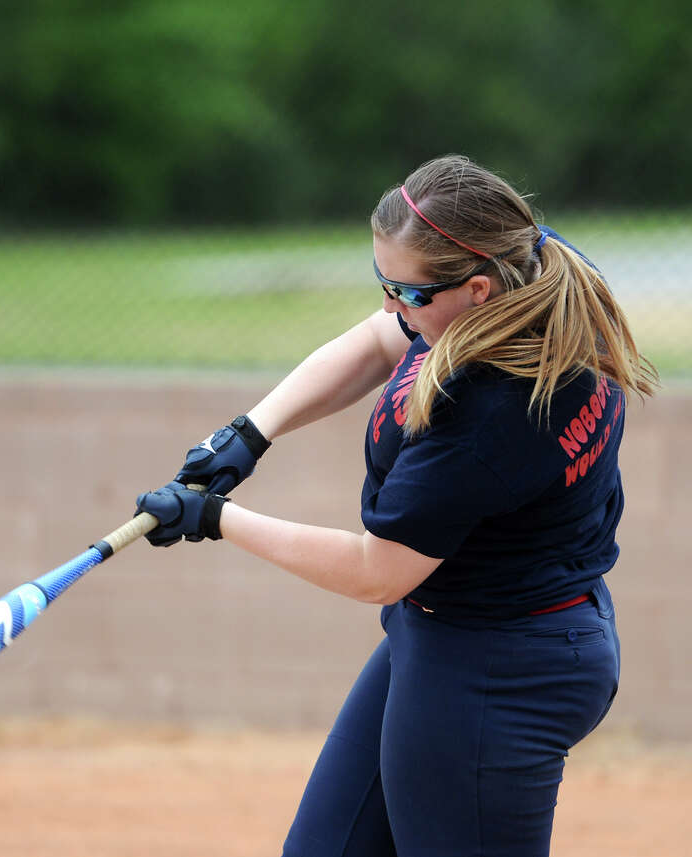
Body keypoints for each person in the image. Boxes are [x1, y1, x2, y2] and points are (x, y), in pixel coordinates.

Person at [135, 154, 658, 857]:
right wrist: (250, 434)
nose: (389, 306)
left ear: (475, 289)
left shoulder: (490, 412)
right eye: (381, 281)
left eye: (404, 291)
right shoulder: (530, 268)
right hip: (449, 636)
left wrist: (215, 518)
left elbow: (377, 570)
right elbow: (383, 339)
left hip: (499, 666)